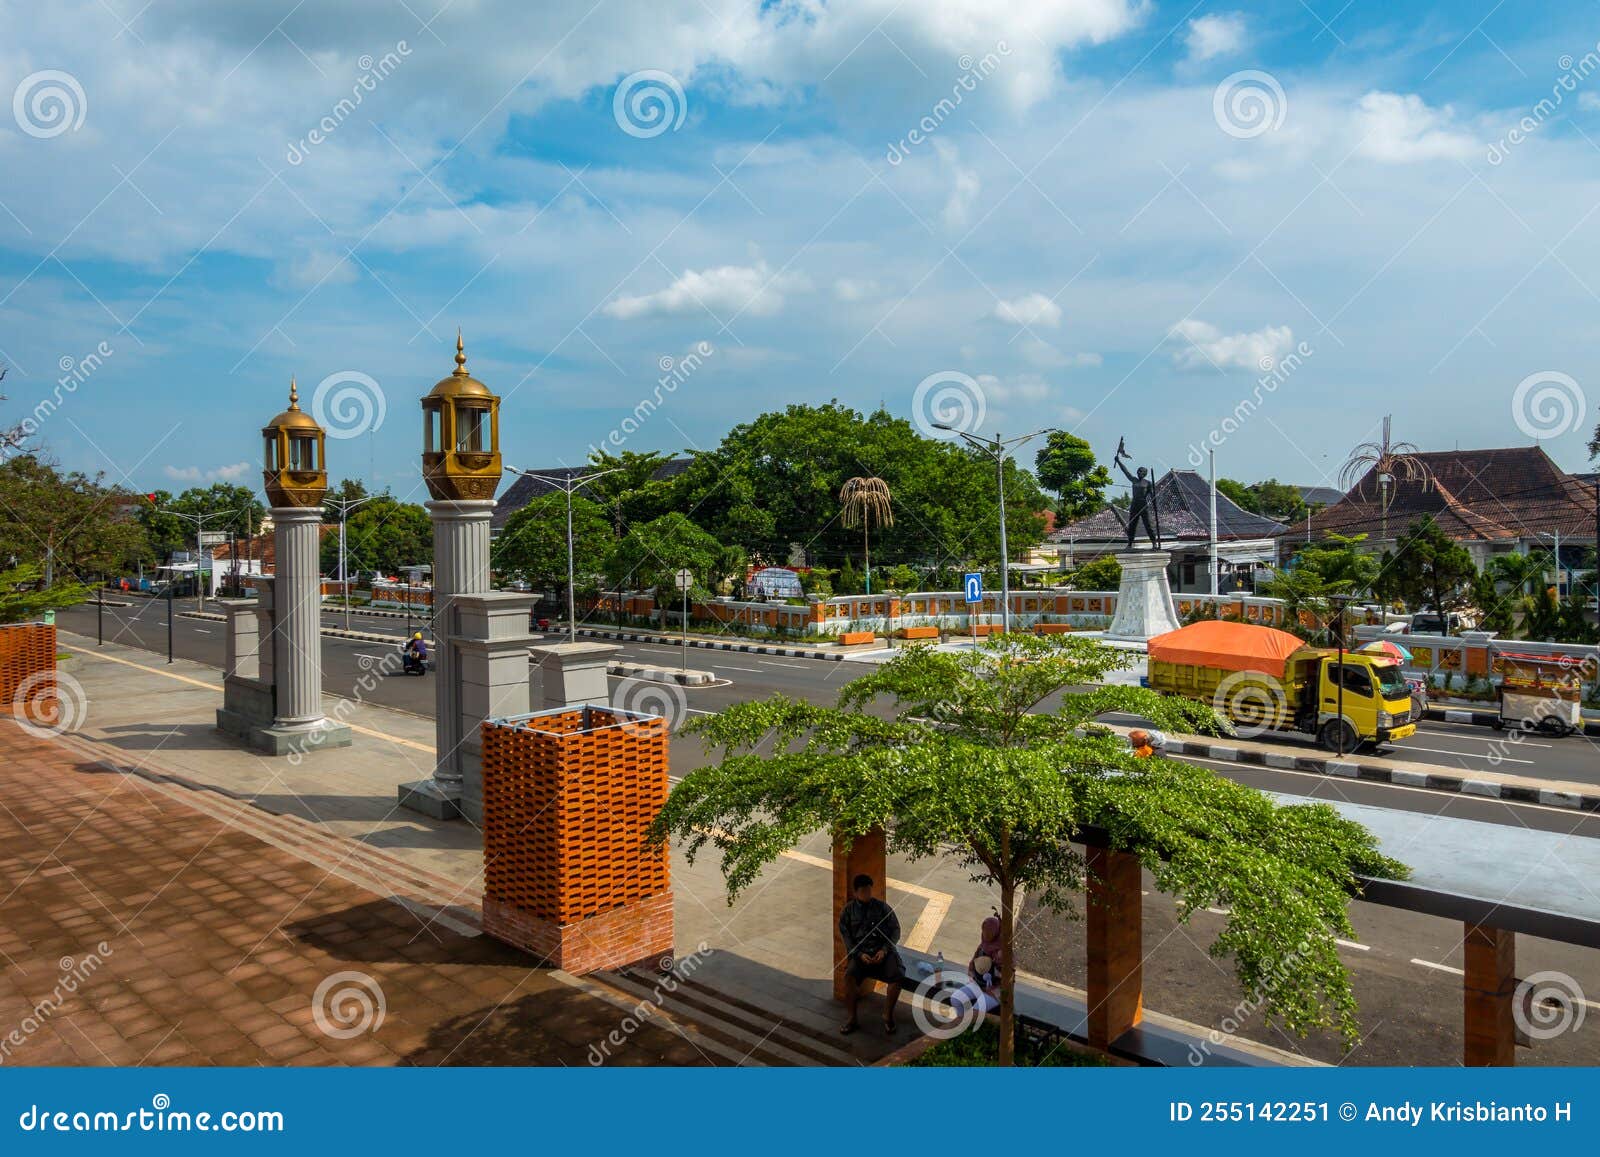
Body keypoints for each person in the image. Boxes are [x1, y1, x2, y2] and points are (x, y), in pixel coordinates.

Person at [838, 873, 904, 1035]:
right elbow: (846, 938)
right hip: (861, 955)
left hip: (883, 952)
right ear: (855, 893)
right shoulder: (848, 911)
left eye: (869, 891)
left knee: (897, 976)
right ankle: (852, 1018)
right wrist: (859, 954)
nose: (867, 894)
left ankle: (887, 1016)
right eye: (863, 891)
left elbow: (896, 930)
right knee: (849, 978)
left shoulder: (881, 907)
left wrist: (885, 949)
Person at [947, 914, 1004, 1017]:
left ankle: (968, 1025)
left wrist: (993, 968)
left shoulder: (1003, 952)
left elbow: (1006, 976)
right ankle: (961, 1021)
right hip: (979, 984)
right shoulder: (983, 945)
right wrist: (972, 972)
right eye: (984, 931)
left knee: (975, 1012)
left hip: (996, 991)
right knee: (956, 999)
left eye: (989, 932)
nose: (986, 935)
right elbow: (973, 962)